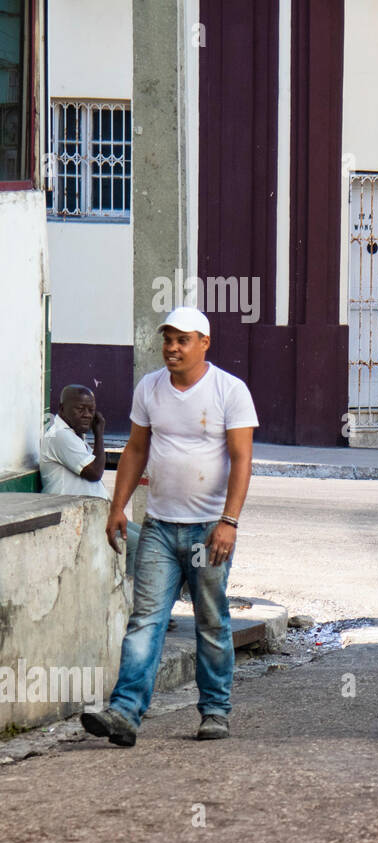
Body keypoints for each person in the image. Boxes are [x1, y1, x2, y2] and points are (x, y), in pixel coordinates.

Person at [80, 307, 258, 747]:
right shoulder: (151, 388)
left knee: (211, 622)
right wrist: (117, 506)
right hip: (159, 527)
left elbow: (242, 460)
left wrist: (228, 523)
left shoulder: (229, 391)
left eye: (182, 340)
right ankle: (125, 712)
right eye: (168, 340)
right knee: (145, 621)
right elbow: (137, 448)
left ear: (204, 344)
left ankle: (215, 712)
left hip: (208, 530)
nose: (172, 348)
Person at [40, 385, 144, 577]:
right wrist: (99, 434)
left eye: (91, 410)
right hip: (76, 516)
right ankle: (132, 603)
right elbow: (95, 472)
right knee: (138, 546)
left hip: (97, 512)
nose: (87, 415)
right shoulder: (60, 436)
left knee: (148, 539)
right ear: (62, 409)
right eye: (80, 409)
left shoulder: (74, 435)